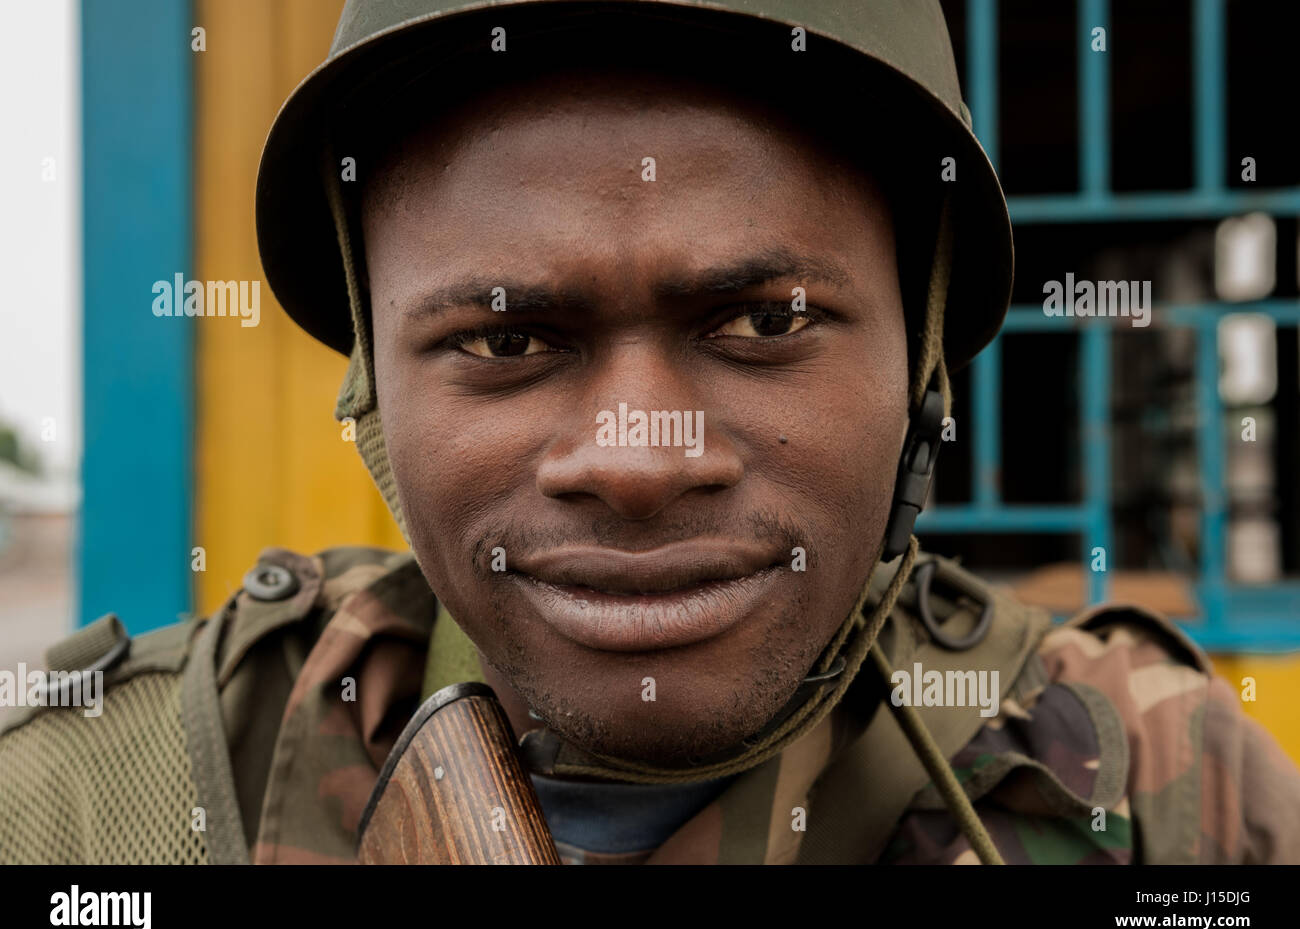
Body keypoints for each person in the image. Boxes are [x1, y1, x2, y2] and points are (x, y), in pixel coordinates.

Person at [2, 0, 1297, 865]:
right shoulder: (91, 812)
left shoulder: (1164, 786)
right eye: (509, 342)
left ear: (920, 358)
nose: (635, 455)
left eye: (764, 322)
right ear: (375, 389)